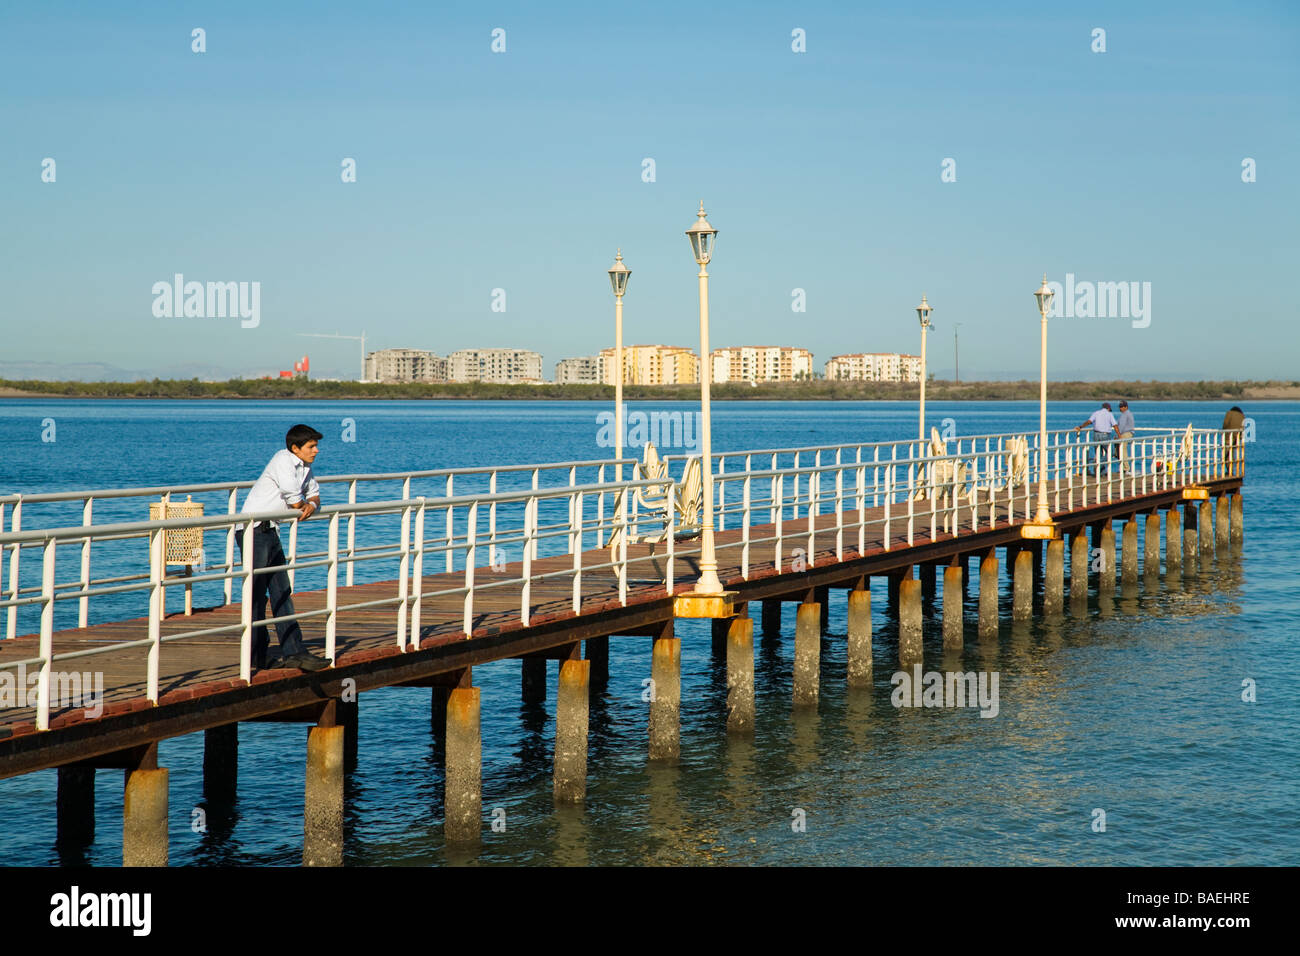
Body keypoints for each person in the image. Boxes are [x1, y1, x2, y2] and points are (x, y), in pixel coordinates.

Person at [235, 424, 331, 672]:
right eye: (311, 446)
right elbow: (294, 500)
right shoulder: (282, 461)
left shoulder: (304, 467)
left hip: (271, 530)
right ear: (295, 448)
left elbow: (315, 496)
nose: (317, 451)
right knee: (256, 596)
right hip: (253, 530)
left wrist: (308, 504)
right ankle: (257, 656)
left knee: (282, 592)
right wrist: (305, 505)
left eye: (316, 445)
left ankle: (294, 653)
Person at [1074, 402, 1118, 478]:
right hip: (1105, 435)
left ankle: (1101, 472)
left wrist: (1080, 427)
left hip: (1096, 435)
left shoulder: (1096, 413)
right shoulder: (1109, 414)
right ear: (1108, 408)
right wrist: (1119, 435)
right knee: (1111, 452)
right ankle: (1099, 463)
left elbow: (1089, 421)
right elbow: (1115, 425)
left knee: (1099, 453)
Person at [1221, 405, 1246, 477]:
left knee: (1226, 454)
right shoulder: (1242, 416)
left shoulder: (1229, 414)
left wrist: (1223, 431)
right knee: (1233, 453)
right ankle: (1232, 470)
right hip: (1237, 437)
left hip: (1228, 437)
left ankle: (1229, 471)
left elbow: (1225, 424)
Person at [1114, 400, 1135, 474]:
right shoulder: (1128, 413)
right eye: (1120, 407)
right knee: (1120, 450)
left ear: (1126, 407)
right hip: (1128, 433)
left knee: (1122, 450)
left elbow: (1121, 426)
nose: (1121, 408)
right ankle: (1124, 467)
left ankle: (1126, 468)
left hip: (1125, 434)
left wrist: (1118, 435)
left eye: (1122, 407)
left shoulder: (1124, 414)